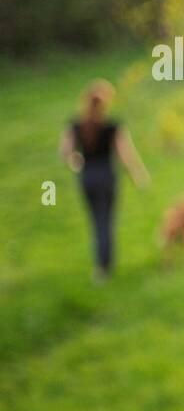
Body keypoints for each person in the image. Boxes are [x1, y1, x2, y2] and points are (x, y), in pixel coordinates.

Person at [59, 79, 150, 280]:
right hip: (107, 176)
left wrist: (77, 162)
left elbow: (66, 152)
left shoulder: (76, 124)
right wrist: (138, 175)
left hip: (88, 177)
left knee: (96, 221)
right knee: (106, 221)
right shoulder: (112, 125)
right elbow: (125, 154)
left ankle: (103, 265)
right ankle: (104, 267)